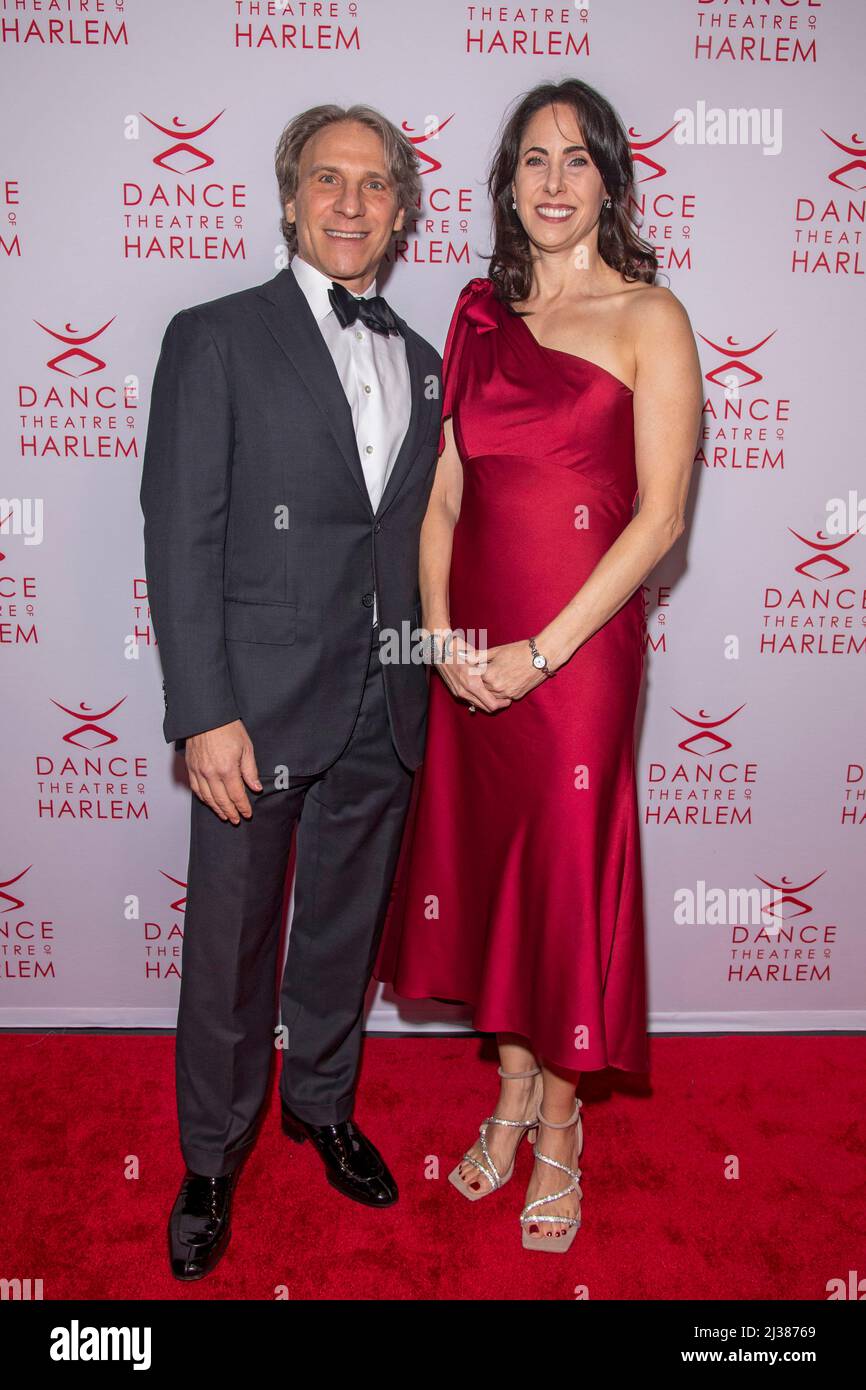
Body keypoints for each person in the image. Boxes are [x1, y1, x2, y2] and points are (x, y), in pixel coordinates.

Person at [375, 79, 703, 1253]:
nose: (553, 181)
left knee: (564, 877)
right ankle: (512, 1083)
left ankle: (561, 1126)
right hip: (471, 654)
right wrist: (446, 638)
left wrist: (539, 651)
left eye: (575, 159)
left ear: (609, 177)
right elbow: (443, 500)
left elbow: (658, 519)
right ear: (505, 185)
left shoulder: (647, 317)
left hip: (576, 656)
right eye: (531, 160)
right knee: (496, 873)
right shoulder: (477, 315)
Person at [140, 104, 442, 1280]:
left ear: (402, 213)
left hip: (385, 700)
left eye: (375, 185)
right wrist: (201, 708)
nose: (352, 204)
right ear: (289, 197)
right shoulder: (213, 337)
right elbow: (182, 532)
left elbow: (416, 536)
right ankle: (211, 1157)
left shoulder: (420, 359)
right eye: (329, 179)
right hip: (251, 706)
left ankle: (320, 1105)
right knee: (229, 943)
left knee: (340, 930)